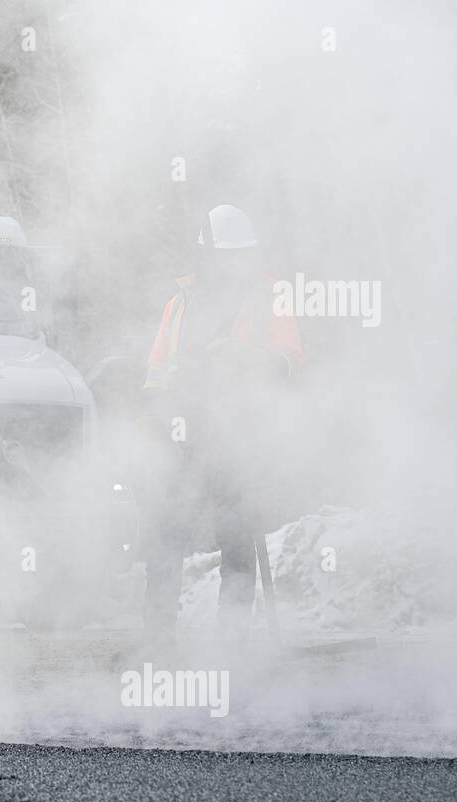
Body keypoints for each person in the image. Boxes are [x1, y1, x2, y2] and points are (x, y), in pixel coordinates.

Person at [136, 204, 302, 639]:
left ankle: (231, 645)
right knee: (165, 534)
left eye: (241, 253)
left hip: (239, 436)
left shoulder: (271, 300)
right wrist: (162, 407)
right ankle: (155, 640)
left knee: (237, 539)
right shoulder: (180, 304)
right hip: (183, 433)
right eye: (228, 254)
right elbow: (153, 373)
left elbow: (292, 366)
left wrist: (247, 358)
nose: (235, 262)